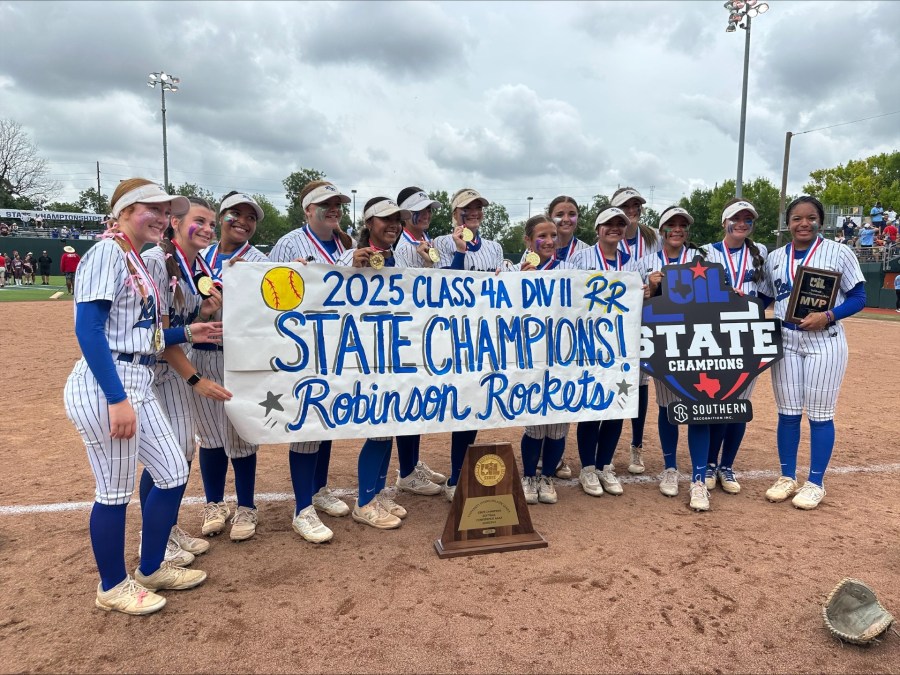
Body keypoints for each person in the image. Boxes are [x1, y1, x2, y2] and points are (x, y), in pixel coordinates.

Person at [63, 178, 206, 616]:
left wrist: (187, 331)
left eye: (167, 212)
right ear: (124, 210)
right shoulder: (108, 251)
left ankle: (151, 565)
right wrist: (115, 397)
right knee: (113, 493)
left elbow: (141, 331)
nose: (163, 219)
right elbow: (88, 329)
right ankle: (112, 585)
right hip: (111, 383)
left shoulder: (132, 258)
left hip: (137, 378)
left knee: (171, 471)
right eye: (154, 209)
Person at [759, 196, 866, 510]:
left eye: (810, 218)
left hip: (825, 340)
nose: (803, 223)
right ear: (788, 223)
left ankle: (815, 481)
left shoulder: (838, 252)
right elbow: (763, 298)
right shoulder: (775, 257)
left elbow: (860, 296)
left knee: (820, 415)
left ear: (820, 220)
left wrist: (829, 315)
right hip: (787, 340)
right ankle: (787, 476)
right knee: (788, 413)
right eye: (796, 218)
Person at [142, 197, 231, 565]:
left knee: (182, 451)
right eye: (200, 221)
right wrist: (196, 379)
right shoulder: (156, 262)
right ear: (175, 223)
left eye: (212, 223)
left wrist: (203, 312)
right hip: (152, 371)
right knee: (168, 456)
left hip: (174, 371)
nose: (209, 229)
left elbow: (183, 325)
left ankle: (167, 528)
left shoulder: (192, 264)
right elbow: (157, 336)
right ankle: (156, 541)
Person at [268, 180, 357, 541]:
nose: (333, 209)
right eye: (325, 204)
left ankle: (318, 490)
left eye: (337, 203)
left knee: (328, 421)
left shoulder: (348, 242)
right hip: (304, 346)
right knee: (307, 425)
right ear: (307, 209)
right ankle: (301, 508)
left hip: (342, 346)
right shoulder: (290, 242)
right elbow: (270, 293)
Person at [333, 196, 414, 530]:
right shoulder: (351, 255)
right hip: (363, 353)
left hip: (394, 352)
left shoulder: (399, 255)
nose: (393, 225)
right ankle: (364, 502)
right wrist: (350, 264)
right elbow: (324, 287)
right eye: (385, 219)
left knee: (388, 427)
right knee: (377, 428)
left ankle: (377, 493)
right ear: (368, 223)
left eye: (398, 220)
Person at [194, 192, 269, 541]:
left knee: (241, 435)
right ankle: (213, 503)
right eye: (235, 214)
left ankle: (247, 507)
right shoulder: (197, 256)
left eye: (251, 217)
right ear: (220, 217)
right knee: (209, 436)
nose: (243, 221)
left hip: (241, 357)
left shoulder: (258, 260)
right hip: (203, 352)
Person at [638, 206, 713, 511]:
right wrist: (650, 289)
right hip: (663, 342)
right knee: (668, 407)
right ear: (662, 231)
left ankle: (698, 479)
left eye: (683, 225)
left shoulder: (703, 261)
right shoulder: (645, 262)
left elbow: (715, 299)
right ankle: (670, 468)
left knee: (699, 408)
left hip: (697, 342)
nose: (678, 229)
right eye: (671, 225)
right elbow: (634, 304)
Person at [432, 188, 504, 501]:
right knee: (453, 404)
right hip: (450, 336)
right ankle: (444, 473)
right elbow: (440, 285)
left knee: (473, 406)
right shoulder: (439, 244)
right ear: (454, 212)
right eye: (467, 208)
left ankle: (459, 475)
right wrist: (460, 252)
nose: (474, 212)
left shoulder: (494, 247)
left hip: (484, 336)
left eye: (478, 207)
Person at [568, 206, 638, 497]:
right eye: (608, 224)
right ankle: (587, 468)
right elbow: (567, 296)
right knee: (590, 407)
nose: (614, 228)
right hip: (588, 343)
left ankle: (605, 465)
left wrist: (644, 291)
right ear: (598, 229)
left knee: (616, 406)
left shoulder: (630, 261)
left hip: (621, 345)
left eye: (619, 225)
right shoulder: (580, 258)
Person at [700, 198, 768, 495]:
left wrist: (750, 306)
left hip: (748, 334)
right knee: (716, 402)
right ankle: (711, 463)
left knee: (739, 405)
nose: (742, 223)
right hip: (714, 335)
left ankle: (727, 465)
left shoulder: (761, 252)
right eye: (736, 218)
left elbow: (767, 294)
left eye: (748, 219)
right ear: (724, 221)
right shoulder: (703, 252)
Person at [509, 214, 576, 505]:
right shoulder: (513, 270)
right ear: (527, 240)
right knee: (535, 423)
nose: (549, 241)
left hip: (563, 356)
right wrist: (517, 283)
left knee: (558, 423)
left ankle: (548, 475)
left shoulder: (571, 270)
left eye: (553, 236)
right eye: (542, 236)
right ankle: (529, 475)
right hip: (530, 357)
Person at [391, 186, 449, 499]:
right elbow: (406, 287)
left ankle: (411, 464)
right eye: (419, 209)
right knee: (406, 400)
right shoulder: (399, 244)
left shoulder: (424, 241)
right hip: (406, 332)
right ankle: (406, 471)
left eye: (428, 209)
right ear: (403, 213)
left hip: (426, 330)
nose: (426, 214)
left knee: (418, 401)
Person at [611, 187, 661, 476]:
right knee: (614, 381)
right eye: (625, 206)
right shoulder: (609, 235)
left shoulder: (652, 237)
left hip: (645, 318)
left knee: (640, 385)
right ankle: (606, 449)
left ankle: (637, 445)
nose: (632, 210)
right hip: (614, 323)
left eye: (636, 205)